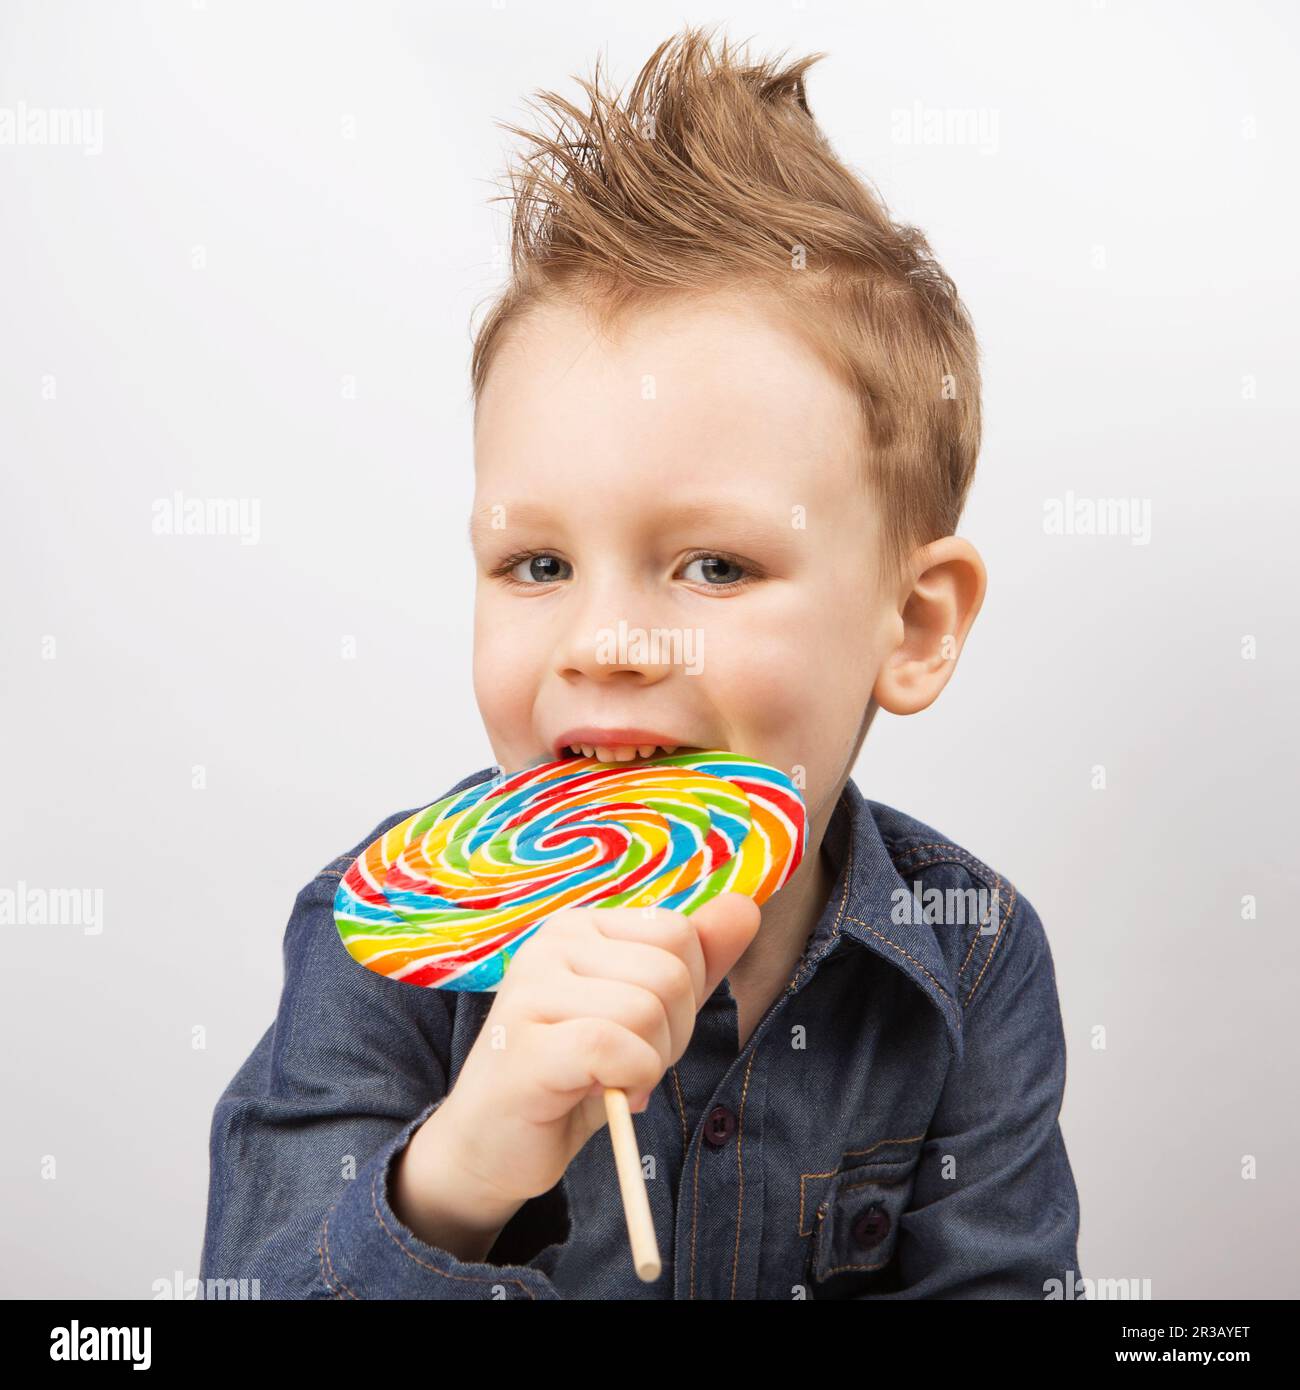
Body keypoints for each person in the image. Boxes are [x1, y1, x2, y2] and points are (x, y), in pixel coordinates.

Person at [200, 24, 1082, 1300]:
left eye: (714, 566)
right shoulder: (379, 940)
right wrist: (458, 1175)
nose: (605, 645)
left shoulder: (975, 960)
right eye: (538, 566)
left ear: (915, 623)